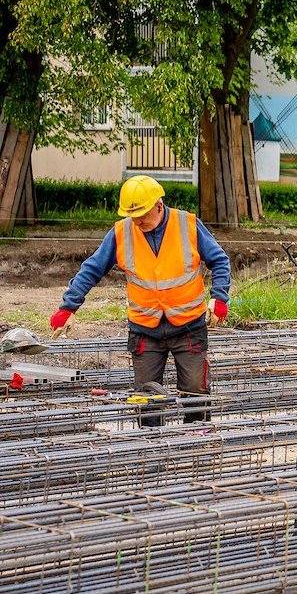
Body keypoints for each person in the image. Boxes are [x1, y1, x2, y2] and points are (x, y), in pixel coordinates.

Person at [49, 175, 231, 424]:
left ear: (158, 206)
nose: (137, 222)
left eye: (142, 216)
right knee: (146, 399)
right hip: (145, 330)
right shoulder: (122, 232)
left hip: (188, 327)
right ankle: (151, 452)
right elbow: (91, 269)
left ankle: (194, 449)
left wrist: (219, 297)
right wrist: (68, 307)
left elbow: (220, 260)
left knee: (195, 394)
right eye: (132, 216)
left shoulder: (187, 224)